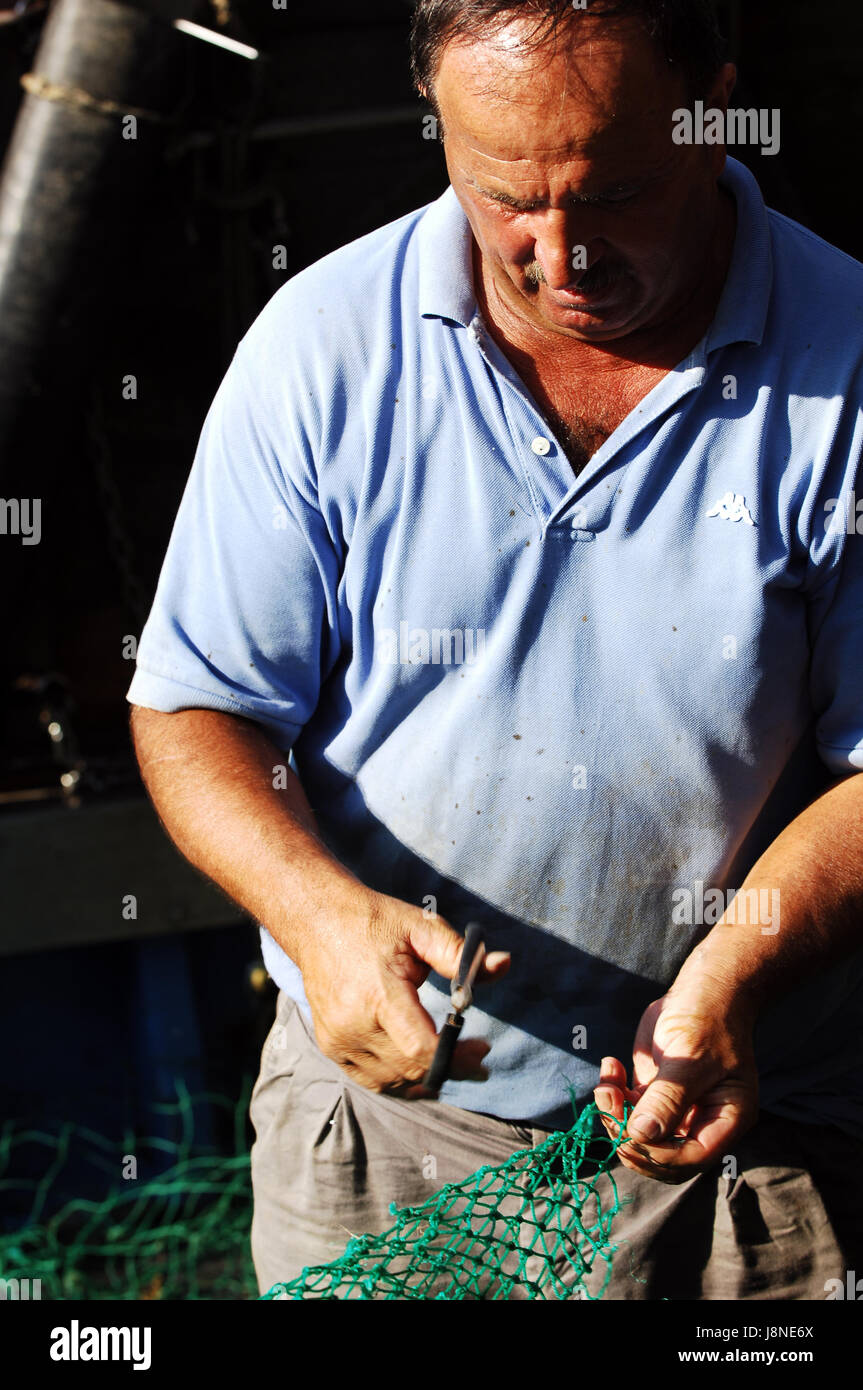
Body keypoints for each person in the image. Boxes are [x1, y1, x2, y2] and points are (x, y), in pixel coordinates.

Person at [127, 0, 863, 1300]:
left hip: (758, 1148)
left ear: (713, 117)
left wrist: (741, 962)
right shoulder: (321, 351)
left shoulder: (850, 357)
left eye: (613, 190)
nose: (557, 255)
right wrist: (316, 911)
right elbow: (196, 709)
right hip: (386, 1140)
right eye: (502, 196)